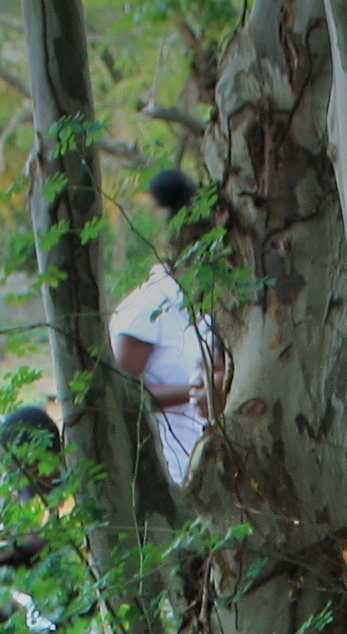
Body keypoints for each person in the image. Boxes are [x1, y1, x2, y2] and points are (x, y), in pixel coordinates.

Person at [110, 167, 216, 484]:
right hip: (172, 475)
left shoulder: (212, 305)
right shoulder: (147, 308)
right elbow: (120, 399)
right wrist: (196, 392)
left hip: (214, 472)